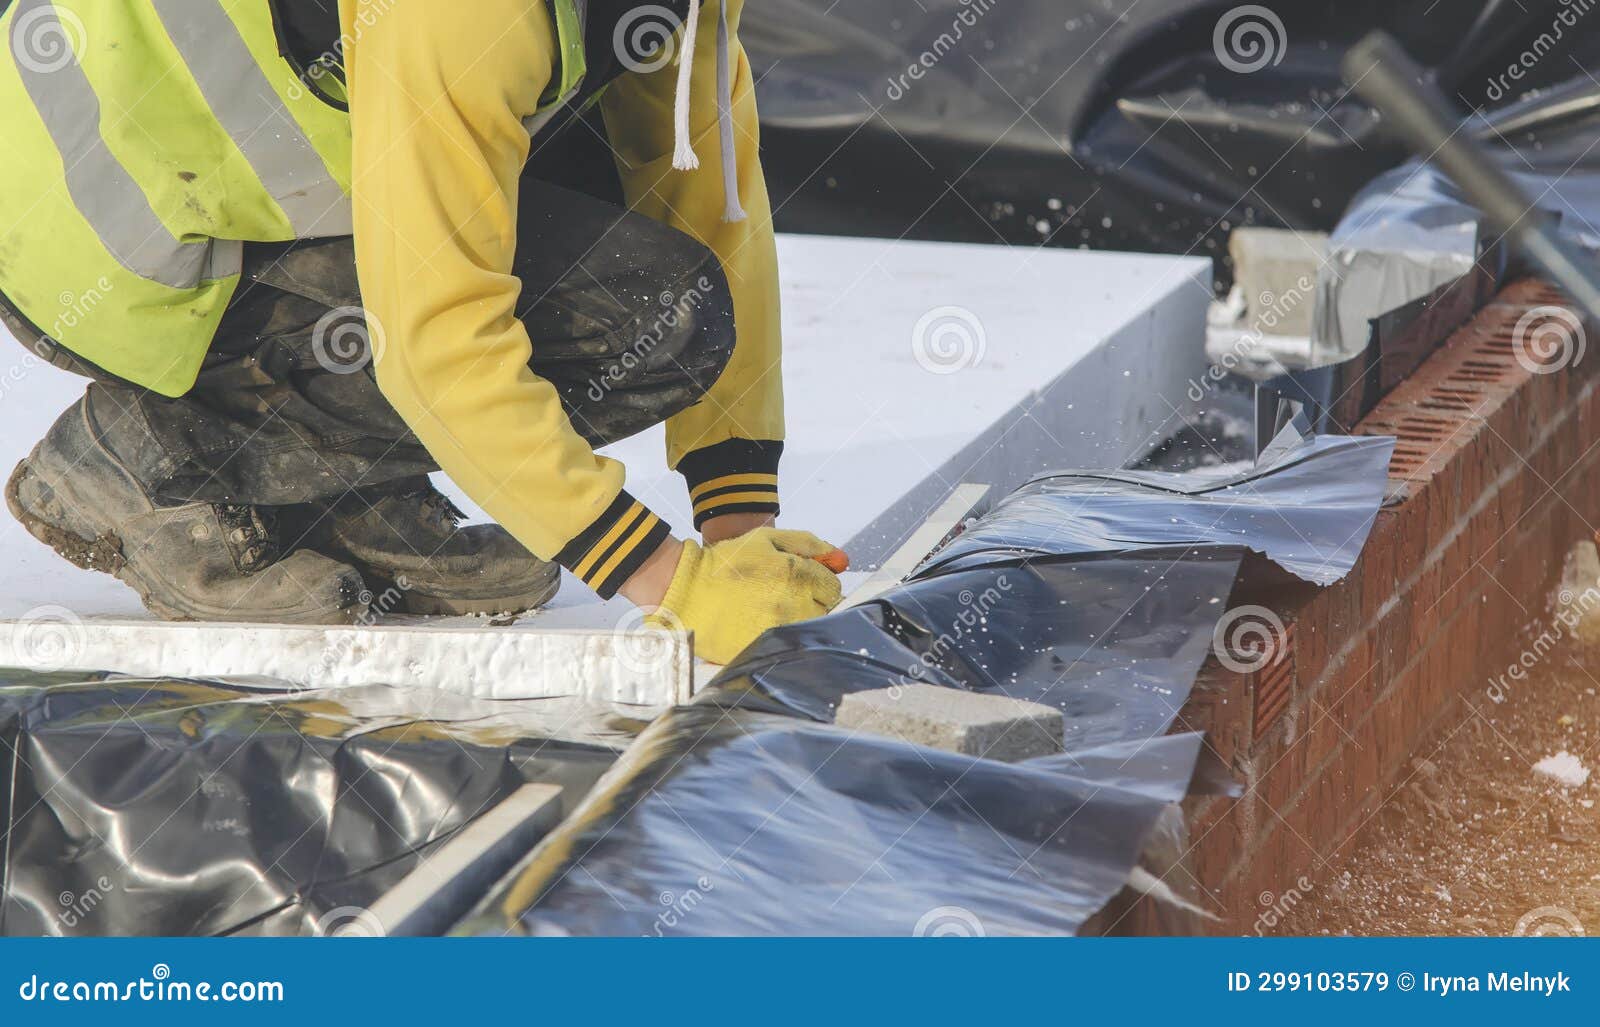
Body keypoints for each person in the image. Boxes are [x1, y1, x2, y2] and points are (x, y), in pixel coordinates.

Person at [0, 0, 843, 663]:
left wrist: (740, 524)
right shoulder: (457, 11)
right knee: (634, 314)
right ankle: (154, 451)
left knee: (666, 299)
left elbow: (704, 193)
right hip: (95, 231)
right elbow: (438, 333)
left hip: (248, 194)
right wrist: (673, 583)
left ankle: (335, 490)